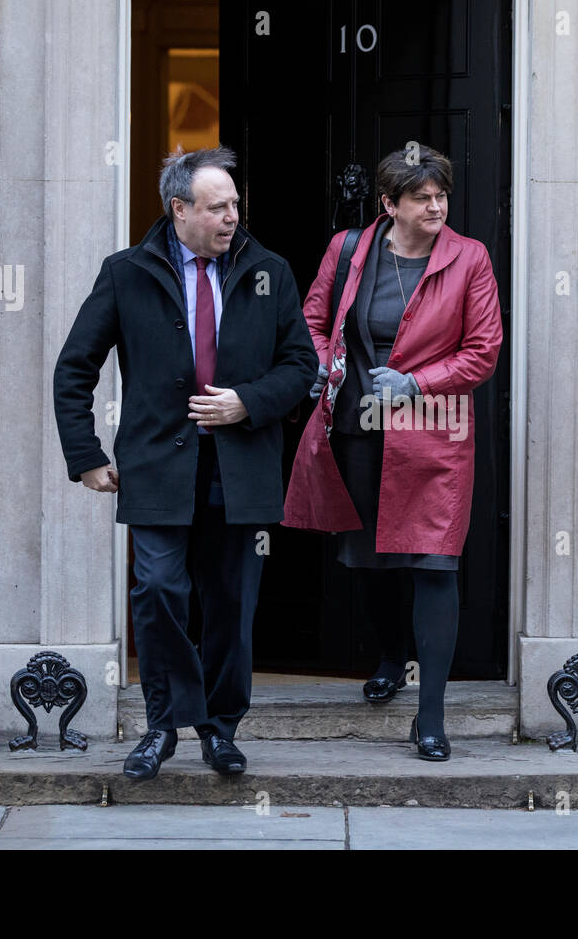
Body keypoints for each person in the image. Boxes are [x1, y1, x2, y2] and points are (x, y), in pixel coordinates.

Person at [53, 146, 317, 780]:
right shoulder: (126, 273)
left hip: (240, 467)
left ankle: (220, 730)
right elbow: (74, 369)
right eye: (217, 207)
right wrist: (86, 457)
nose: (232, 217)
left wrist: (245, 402)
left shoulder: (270, 271)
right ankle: (163, 726)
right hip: (156, 467)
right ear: (179, 210)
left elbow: (302, 368)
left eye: (234, 204)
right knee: (159, 592)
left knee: (230, 603)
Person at [282, 143, 502, 761]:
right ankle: (390, 656)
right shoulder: (348, 250)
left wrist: (418, 383)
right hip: (358, 425)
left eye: (441, 196)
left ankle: (430, 716)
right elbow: (315, 319)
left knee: (434, 563)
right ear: (389, 204)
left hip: (437, 435)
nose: (436, 207)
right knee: (370, 558)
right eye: (421, 198)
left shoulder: (469, 258)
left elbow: (483, 349)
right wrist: (326, 367)